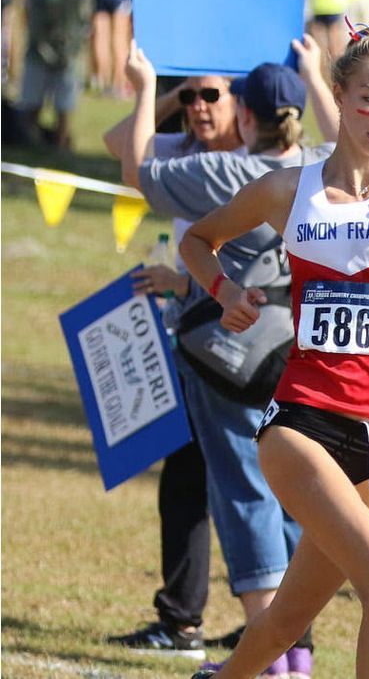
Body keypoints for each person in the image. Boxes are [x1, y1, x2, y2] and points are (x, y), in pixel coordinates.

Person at [183, 26, 369, 679]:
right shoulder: (287, 190)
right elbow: (198, 239)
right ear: (340, 97)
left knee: (288, 621)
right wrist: (224, 288)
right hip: (303, 423)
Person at [115, 36, 341, 677]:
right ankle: (296, 651)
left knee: (245, 495)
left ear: (244, 117)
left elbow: (137, 171)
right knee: (301, 498)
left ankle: (268, 661)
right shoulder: (324, 167)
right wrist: (318, 75)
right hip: (301, 350)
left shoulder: (231, 173)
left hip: (231, 352)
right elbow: (342, 133)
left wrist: (143, 88)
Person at [103, 71, 242, 659]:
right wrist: (154, 92)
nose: (198, 107)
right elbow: (119, 146)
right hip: (193, 342)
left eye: (212, 96)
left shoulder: (259, 166)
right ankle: (181, 619)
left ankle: (283, 625)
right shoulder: (185, 150)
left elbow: (260, 267)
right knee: (184, 483)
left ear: (247, 105)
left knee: (255, 489)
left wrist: (182, 279)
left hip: (244, 348)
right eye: (191, 97)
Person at [18, 0, 91, 150]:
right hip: (43, 52)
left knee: (62, 106)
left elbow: (82, 23)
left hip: (64, 54)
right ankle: (31, 141)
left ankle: (57, 142)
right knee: (35, 105)